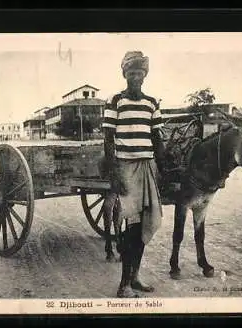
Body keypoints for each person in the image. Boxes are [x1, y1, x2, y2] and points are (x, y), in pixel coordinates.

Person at [102, 51, 165, 298]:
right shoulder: (115, 101)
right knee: (131, 228)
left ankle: (135, 278)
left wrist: (161, 168)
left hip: (147, 167)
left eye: (140, 73)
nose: (136, 77)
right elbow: (108, 139)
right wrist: (114, 172)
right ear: (124, 74)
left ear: (145, 75)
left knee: (144, 226)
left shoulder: (152, 103)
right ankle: (123, 286)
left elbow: (157, 138)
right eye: (131, 73)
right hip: (125, 168)